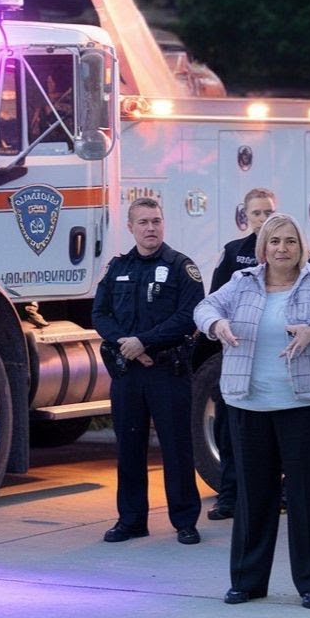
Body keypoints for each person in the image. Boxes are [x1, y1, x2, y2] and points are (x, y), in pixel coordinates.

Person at [194, 213, 310, 611]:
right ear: (262, 248)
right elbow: (204, 307)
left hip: (309, 406)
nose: (282, 248)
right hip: (250, 405)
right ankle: (247, 582)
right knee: (253, 497)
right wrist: (216, 325)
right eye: (274, 242)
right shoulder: (242, 282)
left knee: (309, 498)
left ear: (301, 246)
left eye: (289, 241)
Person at [92, 197, 205, 545]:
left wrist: (144, 342)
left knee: (176, 447)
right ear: (131, 227)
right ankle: (131, 521)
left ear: (163, 224)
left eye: (156, 221)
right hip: (128, 372)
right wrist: (126, 344)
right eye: (143, 222)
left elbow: (189, 315)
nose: (151, 228)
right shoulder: (117, 268)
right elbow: (99, 314)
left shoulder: (181, 266)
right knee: (129, 447)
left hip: (167, 371)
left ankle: (185, 521)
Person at [206, 187, 277, 521]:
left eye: (268, 212)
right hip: (237, 355)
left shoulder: (287, 252)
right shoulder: (234, 252)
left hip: (275, 357)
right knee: (229, 430)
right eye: (256, 213)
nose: (263, 219)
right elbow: (215, 301)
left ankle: (275, 495)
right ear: (245, 216)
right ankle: (229, 497)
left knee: (273, 431)